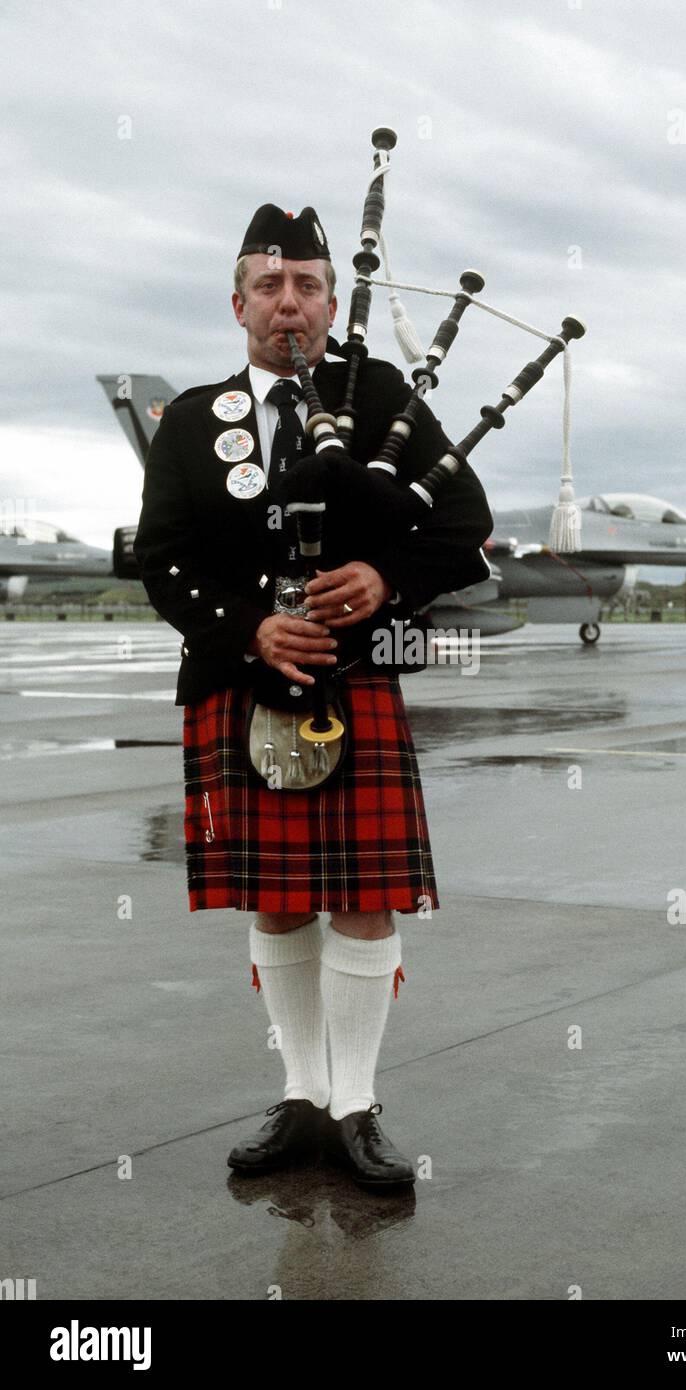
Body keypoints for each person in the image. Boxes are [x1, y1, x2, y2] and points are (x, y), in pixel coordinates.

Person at [133, 203, 493, 1189]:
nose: (286, 303)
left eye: (305, 286)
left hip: (355, 678)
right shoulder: (193, 423)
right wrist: (248, 625)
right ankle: (300, 1097)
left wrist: (388, 581)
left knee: (369, 901)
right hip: (236, 684)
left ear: (332, 300)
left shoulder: (382, 397)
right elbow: (163, 560)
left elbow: (464, 520)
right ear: (238, 302)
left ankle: (356, 1105)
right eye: (267, 284)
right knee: (281, 903)